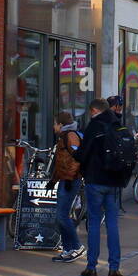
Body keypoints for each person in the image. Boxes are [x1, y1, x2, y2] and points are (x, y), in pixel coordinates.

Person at [74, 98, 126, 276]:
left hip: (95, 180)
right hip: (113, 181)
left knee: (94, 222)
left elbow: (83, 154)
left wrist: (76, 154)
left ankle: (91, 266)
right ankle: (114, 268)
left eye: (90, 112)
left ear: (95, 110)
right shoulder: (117, 124)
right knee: (112, 223)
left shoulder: (94, 127)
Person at [46, 112, 86, 263]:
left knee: (61, 216)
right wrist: (53, 180)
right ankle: (68, 249)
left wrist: (70, 177)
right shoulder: (63, 137)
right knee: (61, 216)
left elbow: (77, 159)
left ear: (61, 125)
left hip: (71, 180)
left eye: (55, 123)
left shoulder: (70, 136)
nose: (53, 126)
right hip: (65, 179)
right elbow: (61, 163)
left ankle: (76, 247)